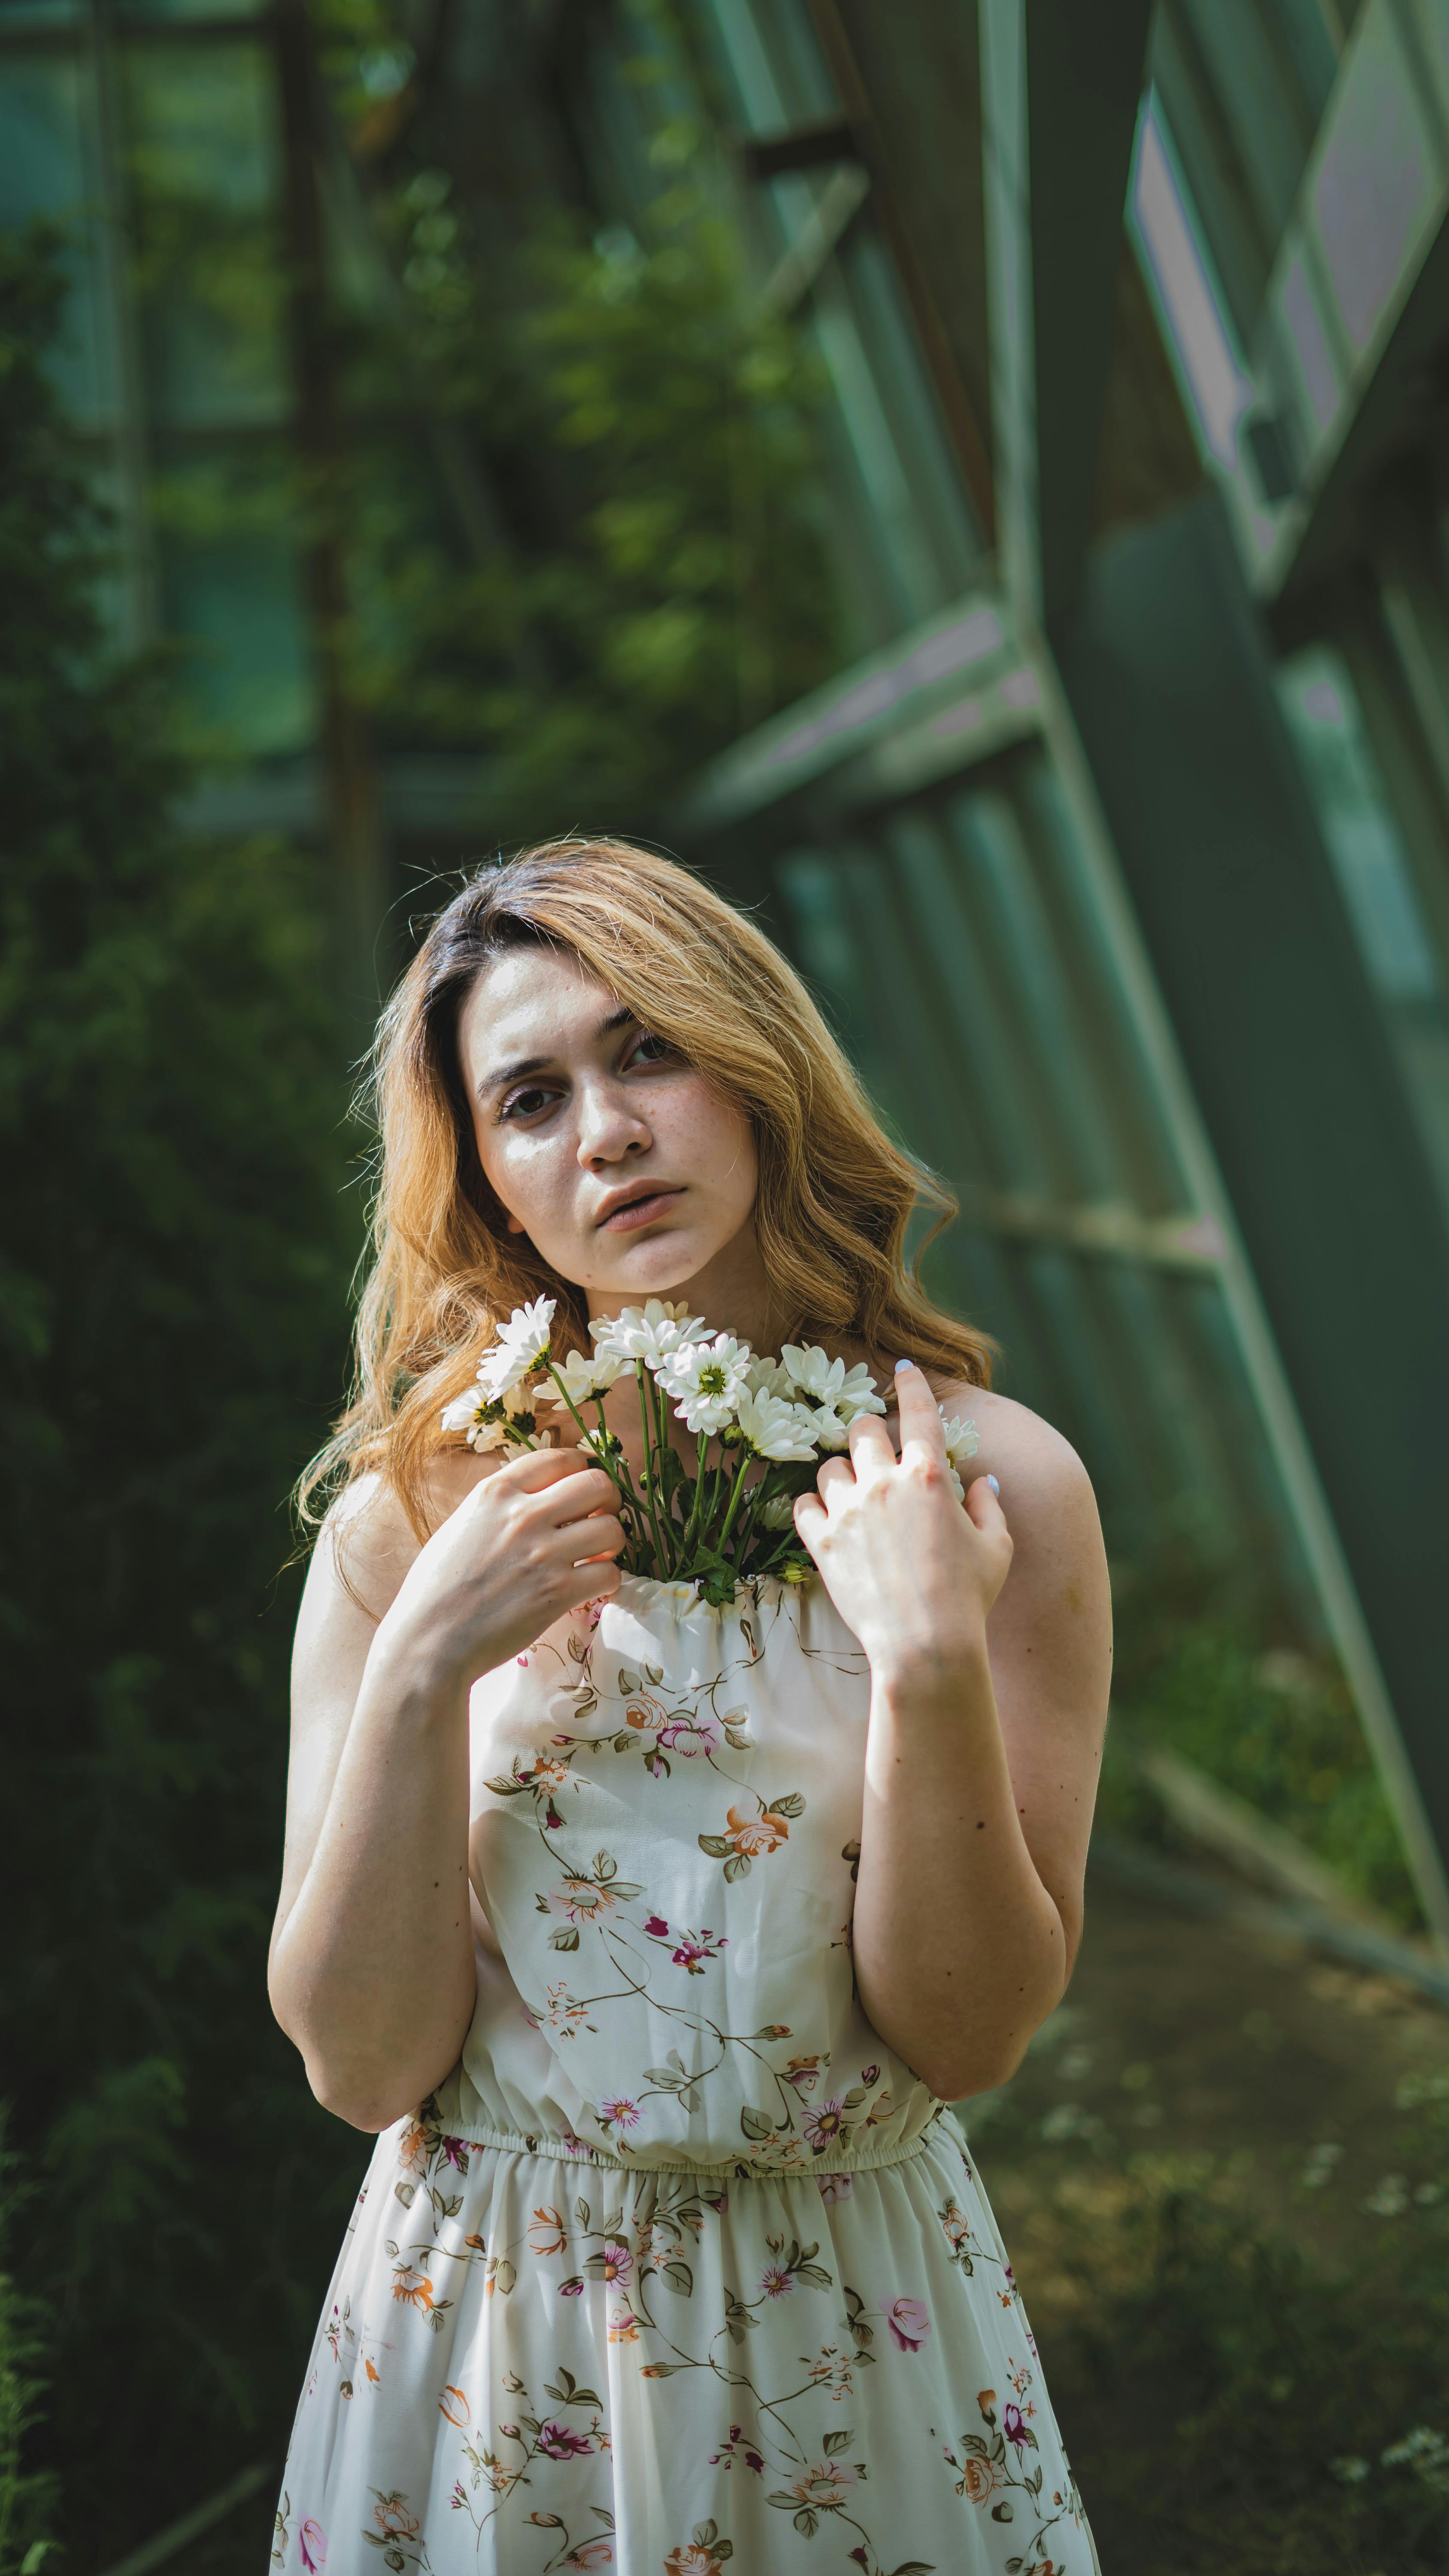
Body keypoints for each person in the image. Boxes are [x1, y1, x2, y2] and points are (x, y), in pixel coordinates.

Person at [268, 838, 1111, 2575]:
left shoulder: (992, 1489)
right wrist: (426, 1667)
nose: (607, 1133)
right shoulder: (414, 1520)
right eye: (530, 1096)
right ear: (490, 1178)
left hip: (853, 2327)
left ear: (755, 1066)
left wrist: (930, 1659)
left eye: (647, 1048)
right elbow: (360, 2064)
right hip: (497, 2341)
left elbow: (966, 2041)